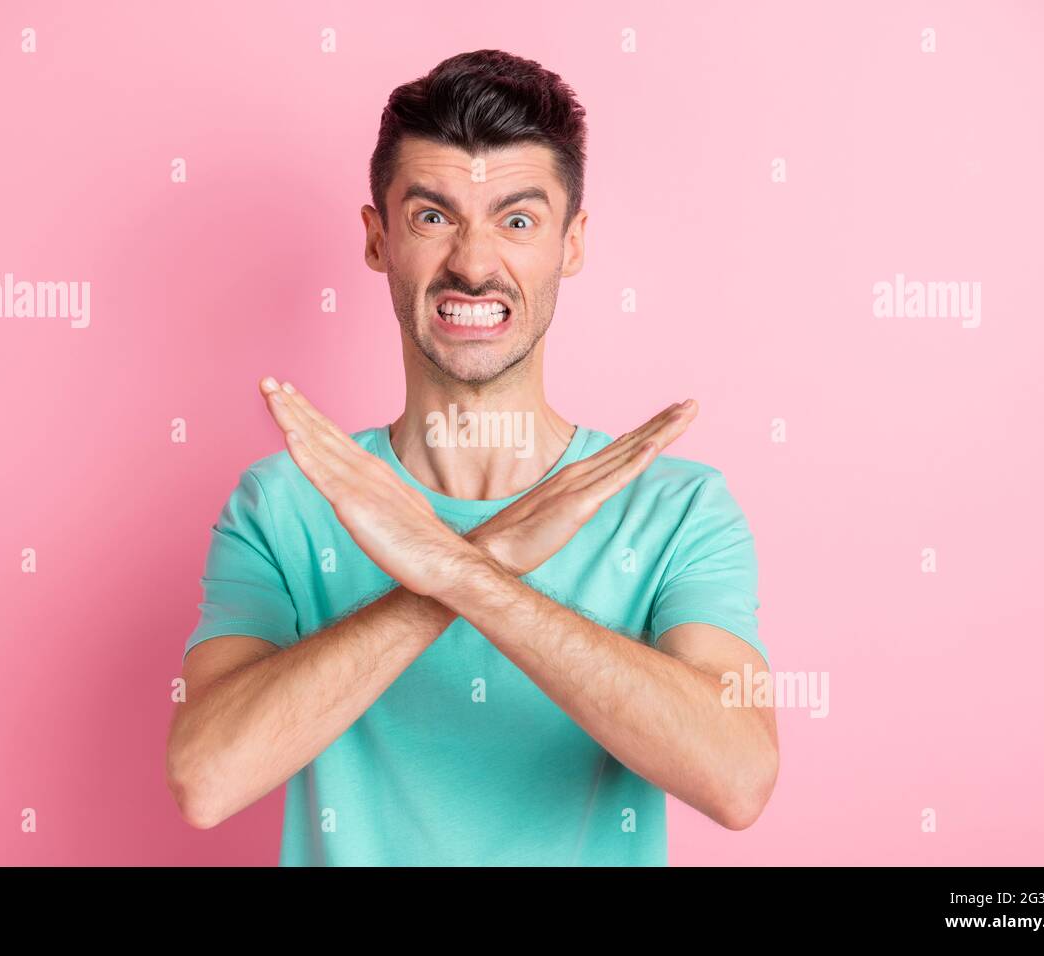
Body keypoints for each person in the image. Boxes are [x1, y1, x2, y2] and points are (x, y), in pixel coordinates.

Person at [166, 49, 778, 865]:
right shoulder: (284, 503)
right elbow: (205, 779)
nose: (475, 263)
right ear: (378, 238)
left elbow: (739, 779)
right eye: (432, 217)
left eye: (518, 220)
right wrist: (460, 578)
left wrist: (461, 574)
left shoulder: (677, 508)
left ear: (572, 243)